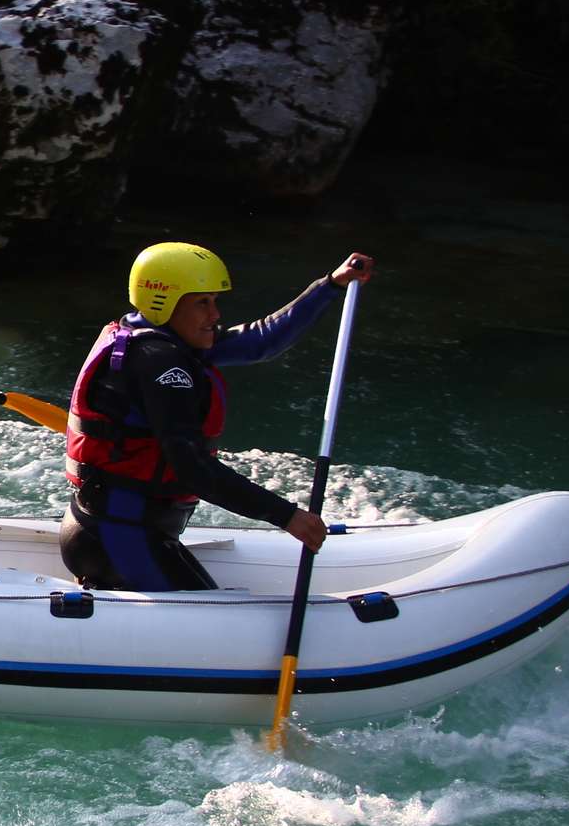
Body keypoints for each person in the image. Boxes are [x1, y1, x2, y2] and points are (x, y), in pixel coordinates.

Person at [59, 241, 374, 591]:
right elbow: (193, 468)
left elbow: (262, 340)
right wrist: (287, 516)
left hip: (129, 530)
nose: (215, 315)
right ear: (163, 302)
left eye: (214, 301)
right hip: (118, 537)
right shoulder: (158, 362)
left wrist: (331, 284)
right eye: (202, 303)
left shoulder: (170, 340)